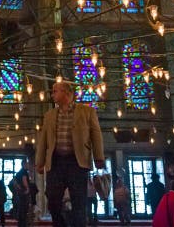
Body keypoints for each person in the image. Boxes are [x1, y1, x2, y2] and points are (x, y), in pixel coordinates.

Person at [36, 81, 105, 227]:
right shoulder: (49, 115)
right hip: (56, 162)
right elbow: (43, 139)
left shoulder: (87, 111)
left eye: (55, 91)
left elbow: (96, 134)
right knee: (52, 200)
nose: (52, 94)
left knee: (79, 202)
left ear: (67, 93)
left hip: (77, 162)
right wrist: (40, 161)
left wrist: (99, 156)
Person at [12, 161, 30, 227]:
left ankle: (20, 225)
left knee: (21, 210)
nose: (28, 165)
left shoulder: (18, 173)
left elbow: (15, 182)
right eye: (27, 164)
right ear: (24, 164)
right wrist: (27, 189)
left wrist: (19, 189)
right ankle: (23, 225)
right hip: (23, 194)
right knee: (24, 210)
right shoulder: (24, 172)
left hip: (20, 193)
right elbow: (24, 180)